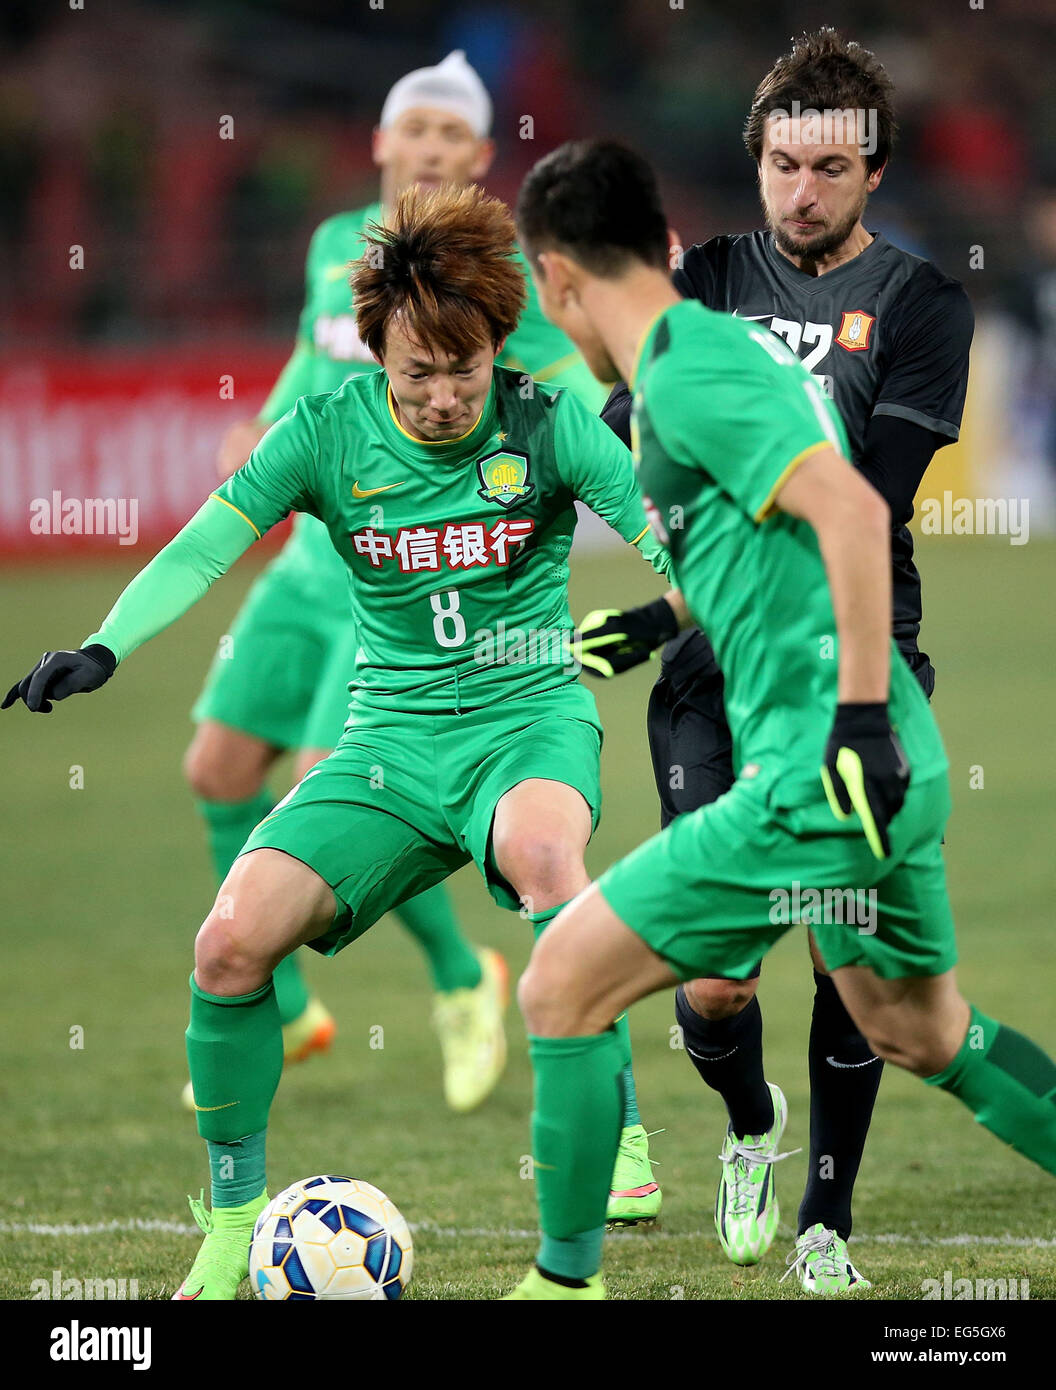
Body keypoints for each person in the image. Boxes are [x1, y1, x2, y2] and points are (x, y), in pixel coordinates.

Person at [3, 182, 672, 1299]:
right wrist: (106, 644)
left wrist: (712, 614)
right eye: (420, 372)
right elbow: (203, 542)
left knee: (553, 869)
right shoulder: (323, 434)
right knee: (226, 945)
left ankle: (589, 1239)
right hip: (390, 742)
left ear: (501, 341)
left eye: (466, 367)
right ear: (375, 352)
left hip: (528, 720)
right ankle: (227, 1226)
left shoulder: (552, 423)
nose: (448, 393)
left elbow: (672, 543)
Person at [505, 137, 1055, 1302]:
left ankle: (560, 1287)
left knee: (559, 982)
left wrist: (852, 720)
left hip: (821, 766)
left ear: (556, 279)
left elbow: (852, 513)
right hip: (890, 756)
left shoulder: (688, 370)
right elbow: (772, 534)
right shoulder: (703, 354)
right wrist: (662, 620)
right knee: (924, 1033)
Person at [580, 28, 974, 1290]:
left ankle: (827, 1223)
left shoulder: (921, 305)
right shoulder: (692, 284)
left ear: (874, 175)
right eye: (782, 164)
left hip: (852, 661)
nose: (802, 192)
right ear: (755, 161)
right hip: (708, 674)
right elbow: (634, 436)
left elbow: (863, 497)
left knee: (844, 950)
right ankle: (752, 1126)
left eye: (831, 169)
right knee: (713, 977)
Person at [183, 50, 612, 1118]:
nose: (425, 147)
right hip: (310, 556)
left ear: (476, 157)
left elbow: (551, 372)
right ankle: (273, 995)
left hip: (407, 581)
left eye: (447, 135)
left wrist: (614, 426)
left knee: (342, 772)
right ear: (380, 143)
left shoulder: (490, 281)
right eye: (409, 129)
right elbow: (304, 362)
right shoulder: (336, 246)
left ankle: (463, 979)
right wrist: (268, 425)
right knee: (217, 767)